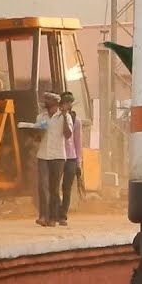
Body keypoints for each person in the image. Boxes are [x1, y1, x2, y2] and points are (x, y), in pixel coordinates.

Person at [34, 92, 71, 227]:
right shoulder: (41, 117)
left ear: (55, 103)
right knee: (42, 186)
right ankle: (43, 216)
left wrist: (66, 116)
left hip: (58, 156)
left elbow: (68, 135)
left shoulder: (64, 117)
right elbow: (37, 138)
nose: (45, 102)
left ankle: (53, 217)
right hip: (43, 155)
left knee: (54, 189)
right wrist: (37, 131)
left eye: (48, 100)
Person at [57, 91, 83, 226]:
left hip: (71, 158)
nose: (66, 105)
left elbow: (78, 143)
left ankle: (62, 215)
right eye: (64, 103)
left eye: (68, 103)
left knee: (66, 188)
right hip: (57, 156)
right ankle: (55, 212)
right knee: (55, 187)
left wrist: (79, 163)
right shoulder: (56, 118)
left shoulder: (76, 121)